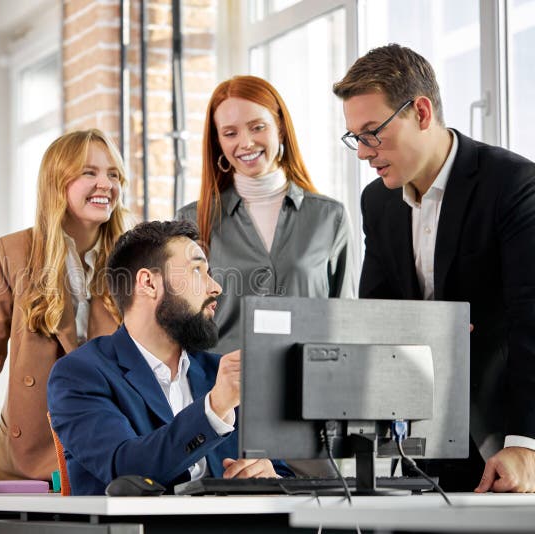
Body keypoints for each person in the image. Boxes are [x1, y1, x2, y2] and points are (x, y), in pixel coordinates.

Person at [333, 43, 535, 493]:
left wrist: (526, 442)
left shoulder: (513, 185)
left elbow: (531, 322)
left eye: (372, 132)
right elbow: (379, 315)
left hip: (507, 437)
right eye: (355, 138)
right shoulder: (378, 202)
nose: (364, 153)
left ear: (421, 112)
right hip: (422, 437)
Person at [0, 129, 129, 493]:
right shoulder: (14, 253)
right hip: (27, 459)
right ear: (56, 181)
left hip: (111, 451)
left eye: (113, 174)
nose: (105, 184)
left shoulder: (135, 257)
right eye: (89, 173)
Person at [47, 220, 292, 495]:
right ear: (149, 283)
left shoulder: (219, 373)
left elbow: (282, 476)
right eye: (197, 270)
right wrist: (213, 409)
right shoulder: (80, 374)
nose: (215, 287)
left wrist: (270, 477)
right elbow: (125, 473)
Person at [177, 75, 355, 356]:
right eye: (230, 133)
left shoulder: (329, 218)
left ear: (280, 128)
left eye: (257, 127)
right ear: (218, 142)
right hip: (221, 389)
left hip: (310, 386)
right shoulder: (191, 221)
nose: (246, 143)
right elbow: (183, 322)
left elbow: (346, 323)